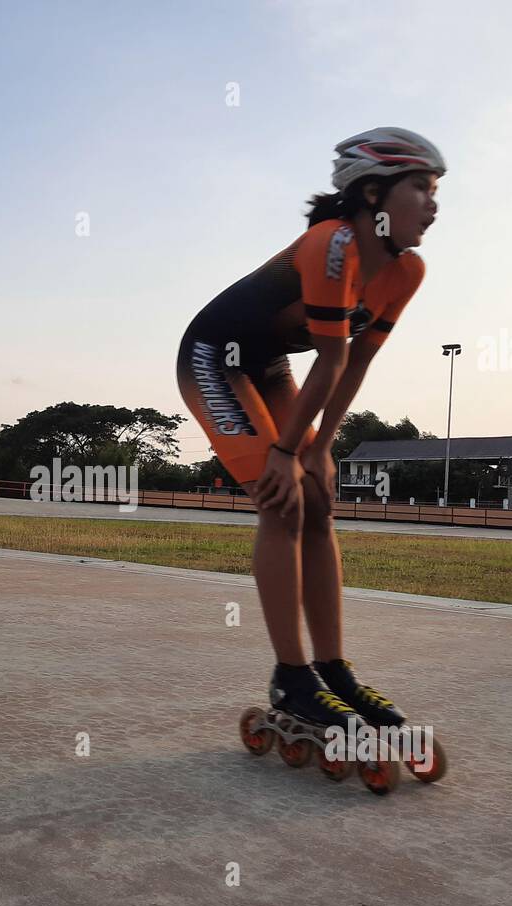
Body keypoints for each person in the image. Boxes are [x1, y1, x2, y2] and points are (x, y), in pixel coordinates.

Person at [177, 127, 446, 753]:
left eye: (436, 193)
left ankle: (333, 672)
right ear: (374, 192)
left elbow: (357, 364)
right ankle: (291, 679)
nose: (434, 205)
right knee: (284, 500)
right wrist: (288, 452)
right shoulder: (334, 244)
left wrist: (321, 446)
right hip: (217, 359)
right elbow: (328, 360)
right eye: (423, 189)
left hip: (268, 366)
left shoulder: (407, 272)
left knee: (320, 505)